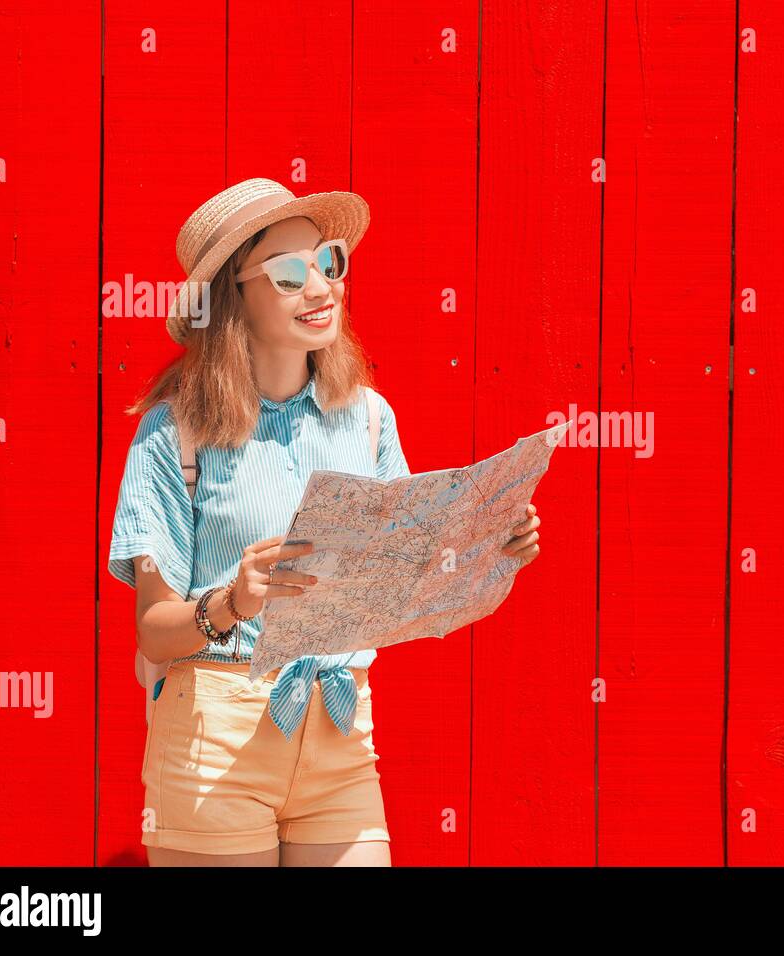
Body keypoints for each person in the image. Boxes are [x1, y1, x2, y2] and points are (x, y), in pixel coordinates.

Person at [107, 178, 542, 867]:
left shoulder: (368, 417)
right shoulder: (175, 434)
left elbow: (406, 572)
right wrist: (232, 600)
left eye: (328, 261)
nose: (320, 288)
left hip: (340, 730)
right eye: (288, 273)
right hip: (214, 737)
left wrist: (488, 538)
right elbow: (153, 627)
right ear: (234, 298)